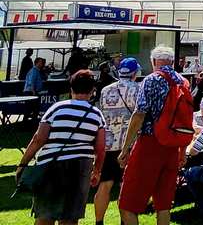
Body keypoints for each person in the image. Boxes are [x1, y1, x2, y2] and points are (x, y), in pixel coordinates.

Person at [16, 70, 106, 224]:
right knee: (70, 219)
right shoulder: (97, 115)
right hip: (80, 168)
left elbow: (38, 139)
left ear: (71, 89)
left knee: (44, 217)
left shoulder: (56, 109)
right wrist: (97, 170)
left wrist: (23, 163)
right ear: (92, 91)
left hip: (51, 165)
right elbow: (100, 148)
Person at [118, 46, 192, 225]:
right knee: (164, 205)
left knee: (127, 204)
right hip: (173, 147)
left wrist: (125, 148)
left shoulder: (151, 80)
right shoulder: (183, 82)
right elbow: (185, 120)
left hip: (149, 144)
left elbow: (139, 114)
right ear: (172, 62)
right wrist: (182, 151)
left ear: (153, 62)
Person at [95, 57, 140, 225]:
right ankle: (124, 220)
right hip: (128, 144)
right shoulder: (138, 89)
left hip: (108, 142)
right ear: (135, 72)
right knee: (125, 185)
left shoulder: (106, 90)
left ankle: (99, 221)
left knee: (105, 184)